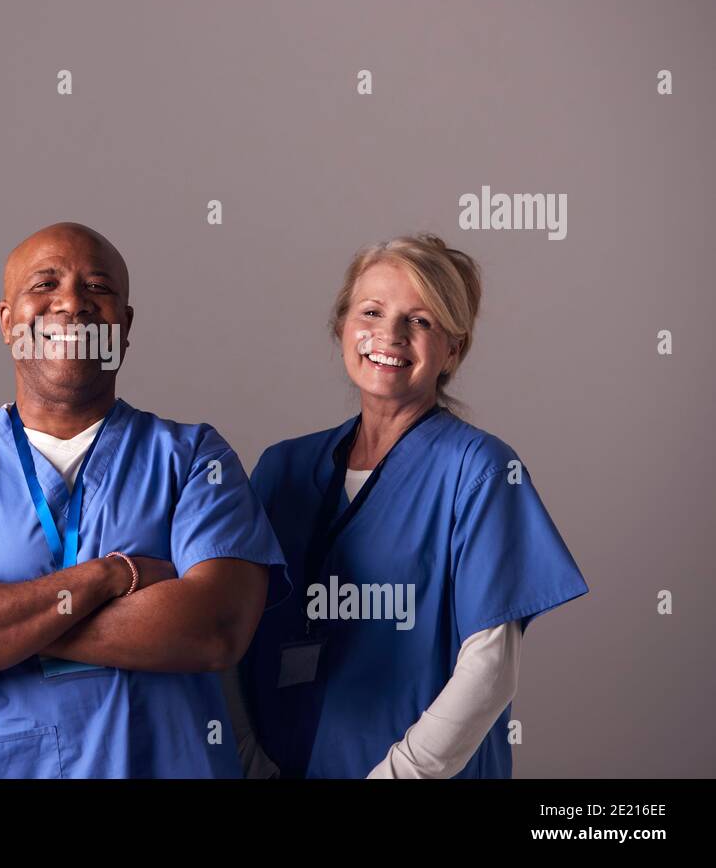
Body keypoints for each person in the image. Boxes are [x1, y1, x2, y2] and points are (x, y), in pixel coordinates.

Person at [0, 222, 287, 778]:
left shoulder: (195, 459)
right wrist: (110, 577)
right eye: (45, 284)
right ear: (8, 323)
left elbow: (215, 628)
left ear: (124, 327)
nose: (73, 303)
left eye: (98, 288)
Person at [236, 234, 588, 778]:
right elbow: (227, 627)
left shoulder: (481, 471)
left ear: (453, 348)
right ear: (342, 327)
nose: (390, 335)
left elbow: (490, 669)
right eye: (371, 311)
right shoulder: (281, 470)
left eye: (421, 321)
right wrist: (249, 761)